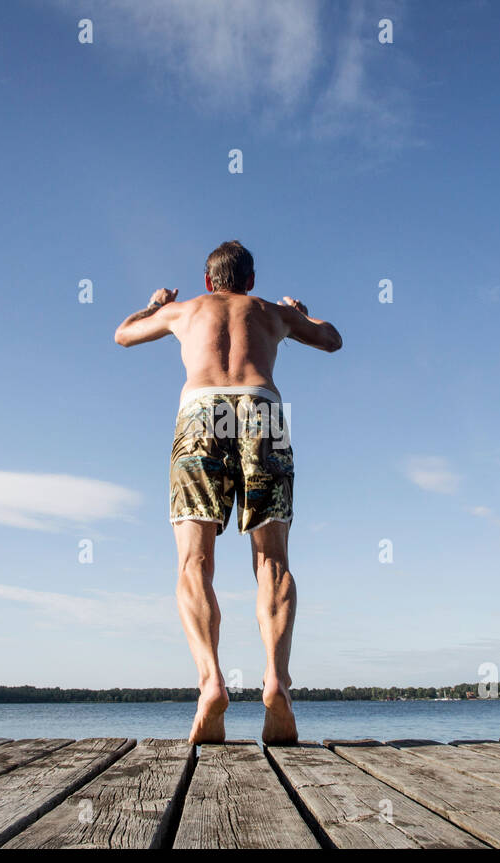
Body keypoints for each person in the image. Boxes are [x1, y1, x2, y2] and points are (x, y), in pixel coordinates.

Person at [113, 240, 342, 744]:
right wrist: (298, 314)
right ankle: (277, 681)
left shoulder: (186, 310)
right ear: (251, 281)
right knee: (273, 562)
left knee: (194, 561)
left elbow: (123, 335)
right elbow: (332, 340)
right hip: (263, 409)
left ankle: (211, 683)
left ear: (208, 281)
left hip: (200, 409)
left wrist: (155, 304)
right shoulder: (269, 313)